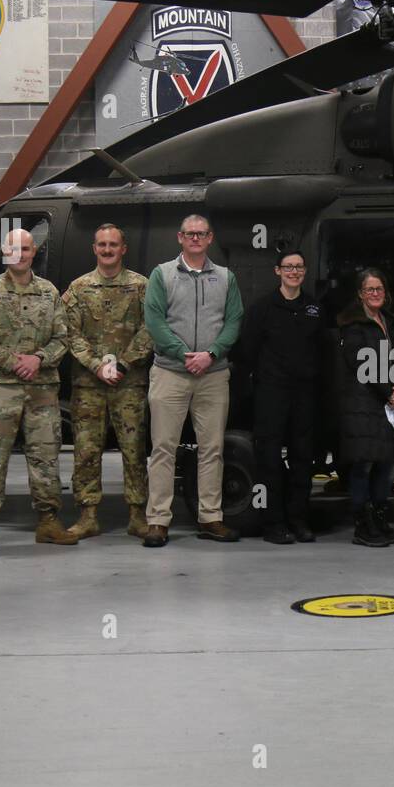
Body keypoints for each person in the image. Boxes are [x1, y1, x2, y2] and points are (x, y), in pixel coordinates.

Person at [0, 228, 78, 551]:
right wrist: (15, 362)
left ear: (33, 252)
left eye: (26, 249)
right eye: (14, 249)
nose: (20, 254)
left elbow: (62, 337)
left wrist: (38, 360)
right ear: (5, 251)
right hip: (0, 387)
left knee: (45, 453)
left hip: (42, 387)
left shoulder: (49, 292)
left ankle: (48, 521)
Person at [142, 214, 244, 547]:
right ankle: (158, 520)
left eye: (201, 234)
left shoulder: (226, 278)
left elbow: (233, 321)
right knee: (163, 449)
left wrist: (211, 354)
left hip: (213, 376)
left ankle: (211, 518)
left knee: (212, 449)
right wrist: (184, 354)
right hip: (170, 372)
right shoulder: (162, 274)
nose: (196, 238)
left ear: (210, 238)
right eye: (190, 234)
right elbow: (155, 320)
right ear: (180, 238)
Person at [62, 224, 153, 539]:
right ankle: (87, 516)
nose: (107, 249)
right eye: (102, 244)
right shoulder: (79, 288)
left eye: (113, 244)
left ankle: (138, 515)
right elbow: (69, 333)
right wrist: (96, 366)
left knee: (134, 449)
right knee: (86, 450)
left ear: (123, 248)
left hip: (130, 384)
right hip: (89, 385)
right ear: (94, 248)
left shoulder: (142, 286)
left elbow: (150, 329)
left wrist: (124, 365)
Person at [238, 250, 325, 544]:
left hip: (305, 396)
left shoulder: (314, 307)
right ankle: (273, 523)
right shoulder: (262, 308)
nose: (294, 272)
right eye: (288, 267)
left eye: (299, 267)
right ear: (277, 271)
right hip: (271, 396)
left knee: (303, 459)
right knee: (269, 460)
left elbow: (322, 351)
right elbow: (247, 352)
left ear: (305, 271)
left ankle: (299, 520)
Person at [337, 268, 394, 547]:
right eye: (370, 290)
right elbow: (359, 362)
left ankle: (379, 519)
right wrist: (388, 390)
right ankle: (362, 525)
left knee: (388, 463)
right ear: (360, 294)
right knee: (363, 465)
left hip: (389, 404)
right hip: (362, 403)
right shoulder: (351, 325)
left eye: (379, 289)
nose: (375, 294)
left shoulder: (392, 323)